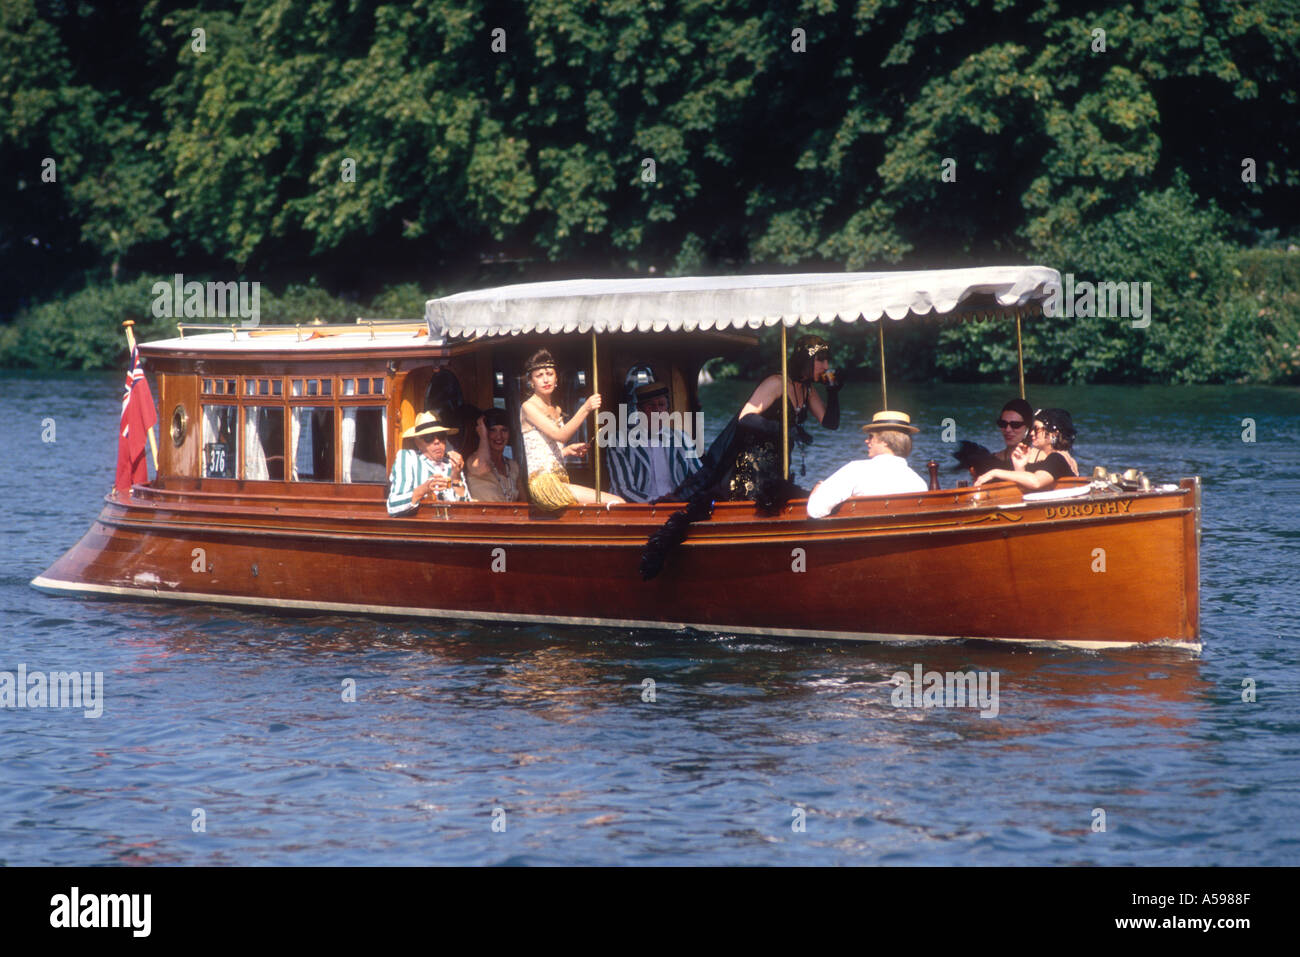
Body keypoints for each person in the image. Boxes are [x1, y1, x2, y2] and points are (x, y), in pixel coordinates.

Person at [519, 349, 625, 509]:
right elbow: (560, 435)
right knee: (618, 502)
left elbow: (543, 451)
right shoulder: (528, 407)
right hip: (544, 484)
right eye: (539, 375)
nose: (545, 379)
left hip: (560, 480)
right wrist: (586, 408)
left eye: (549, 373)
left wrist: (567, 451)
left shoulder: (556, 409)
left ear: (556, 378)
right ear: (531, 381)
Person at [807, 411, 928, 518]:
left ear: (885, 441)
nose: (866, 441)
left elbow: (815, 510)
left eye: (871, 437)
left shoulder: (855, 470)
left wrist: (818, 488)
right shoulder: (919, 483)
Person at [605, 380, 700, 503]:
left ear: (667, 409)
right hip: (637, 510)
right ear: (639, 409)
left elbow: (699, 478)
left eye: (661, 405)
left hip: (677, 506)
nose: (657, 410)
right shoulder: (619, 441)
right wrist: (656, 502)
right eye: (651, 406)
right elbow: (623, 490)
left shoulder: (682, 438)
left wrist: (680, 500)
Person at [974, 408, 1079, 492]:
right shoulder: (1065, 457)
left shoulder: (1057, 457)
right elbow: (1029, 492)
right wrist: (1020, 467)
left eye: (1037, 429)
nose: (1032, 433)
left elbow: (1036, 482)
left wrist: (995, 472)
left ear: (1054, 434)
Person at [386, 411, 470, 515]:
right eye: (429, 437)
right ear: (418, 442)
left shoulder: (452, 464)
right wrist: (424, 489)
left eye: (441, 435)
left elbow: (467, 510)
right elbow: (393, 506)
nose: (437, 441)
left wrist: (456, 479)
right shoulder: (409, 458)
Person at [465, 407, 524, 502]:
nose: (499, 436)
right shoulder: (473, 460)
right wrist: (483, 437)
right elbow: (482, 466)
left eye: (504, 430)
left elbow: (524, 501)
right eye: (493, 430)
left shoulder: (513, 466)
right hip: (483, 516)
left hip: (510, 516)